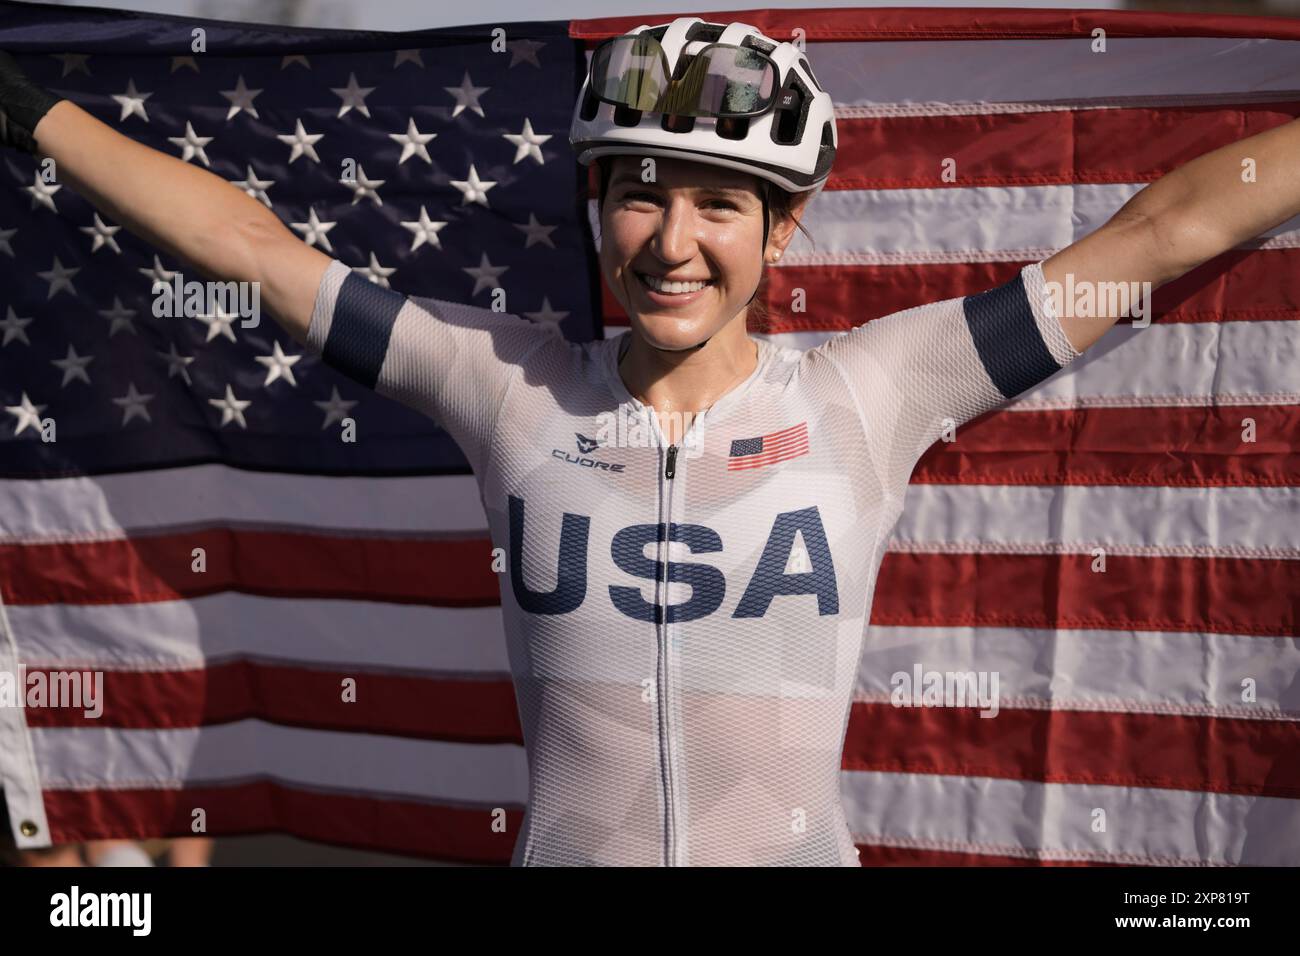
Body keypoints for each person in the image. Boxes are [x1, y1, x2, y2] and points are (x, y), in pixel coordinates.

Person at [1, 16, 1297, 866]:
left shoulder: (874, 387)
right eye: (640, 197)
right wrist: (25, 110)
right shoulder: (504, 382)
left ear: (781, 231)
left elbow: (1160, 233)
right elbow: (247, 246)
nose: (672, 245)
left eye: (720, 205)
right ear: (601, 208)